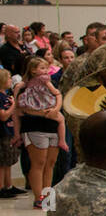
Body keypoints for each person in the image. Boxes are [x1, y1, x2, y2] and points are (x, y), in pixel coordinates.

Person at [18, 56, 67, 206]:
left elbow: (58, 94)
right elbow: (20, 108)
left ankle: (47, 196)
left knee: (50, 163)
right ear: (32, 70)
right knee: (38, 162)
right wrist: (42, 113)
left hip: (52, 124)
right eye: (41, 68)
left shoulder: (49, 83)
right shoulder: (23, 86)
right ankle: (38, 197)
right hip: (34, 126)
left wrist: (56, 110)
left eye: (46, 68)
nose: (45, 71)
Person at [0, 70, 19, 197]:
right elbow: (3, 116)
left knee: (8, 161)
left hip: (9, 132)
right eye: (8, 78)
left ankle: (8, 185)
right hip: (2, 132)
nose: (11, 80)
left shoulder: (6, 95)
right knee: (2, 162)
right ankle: (1, 187)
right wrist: (14, 106)